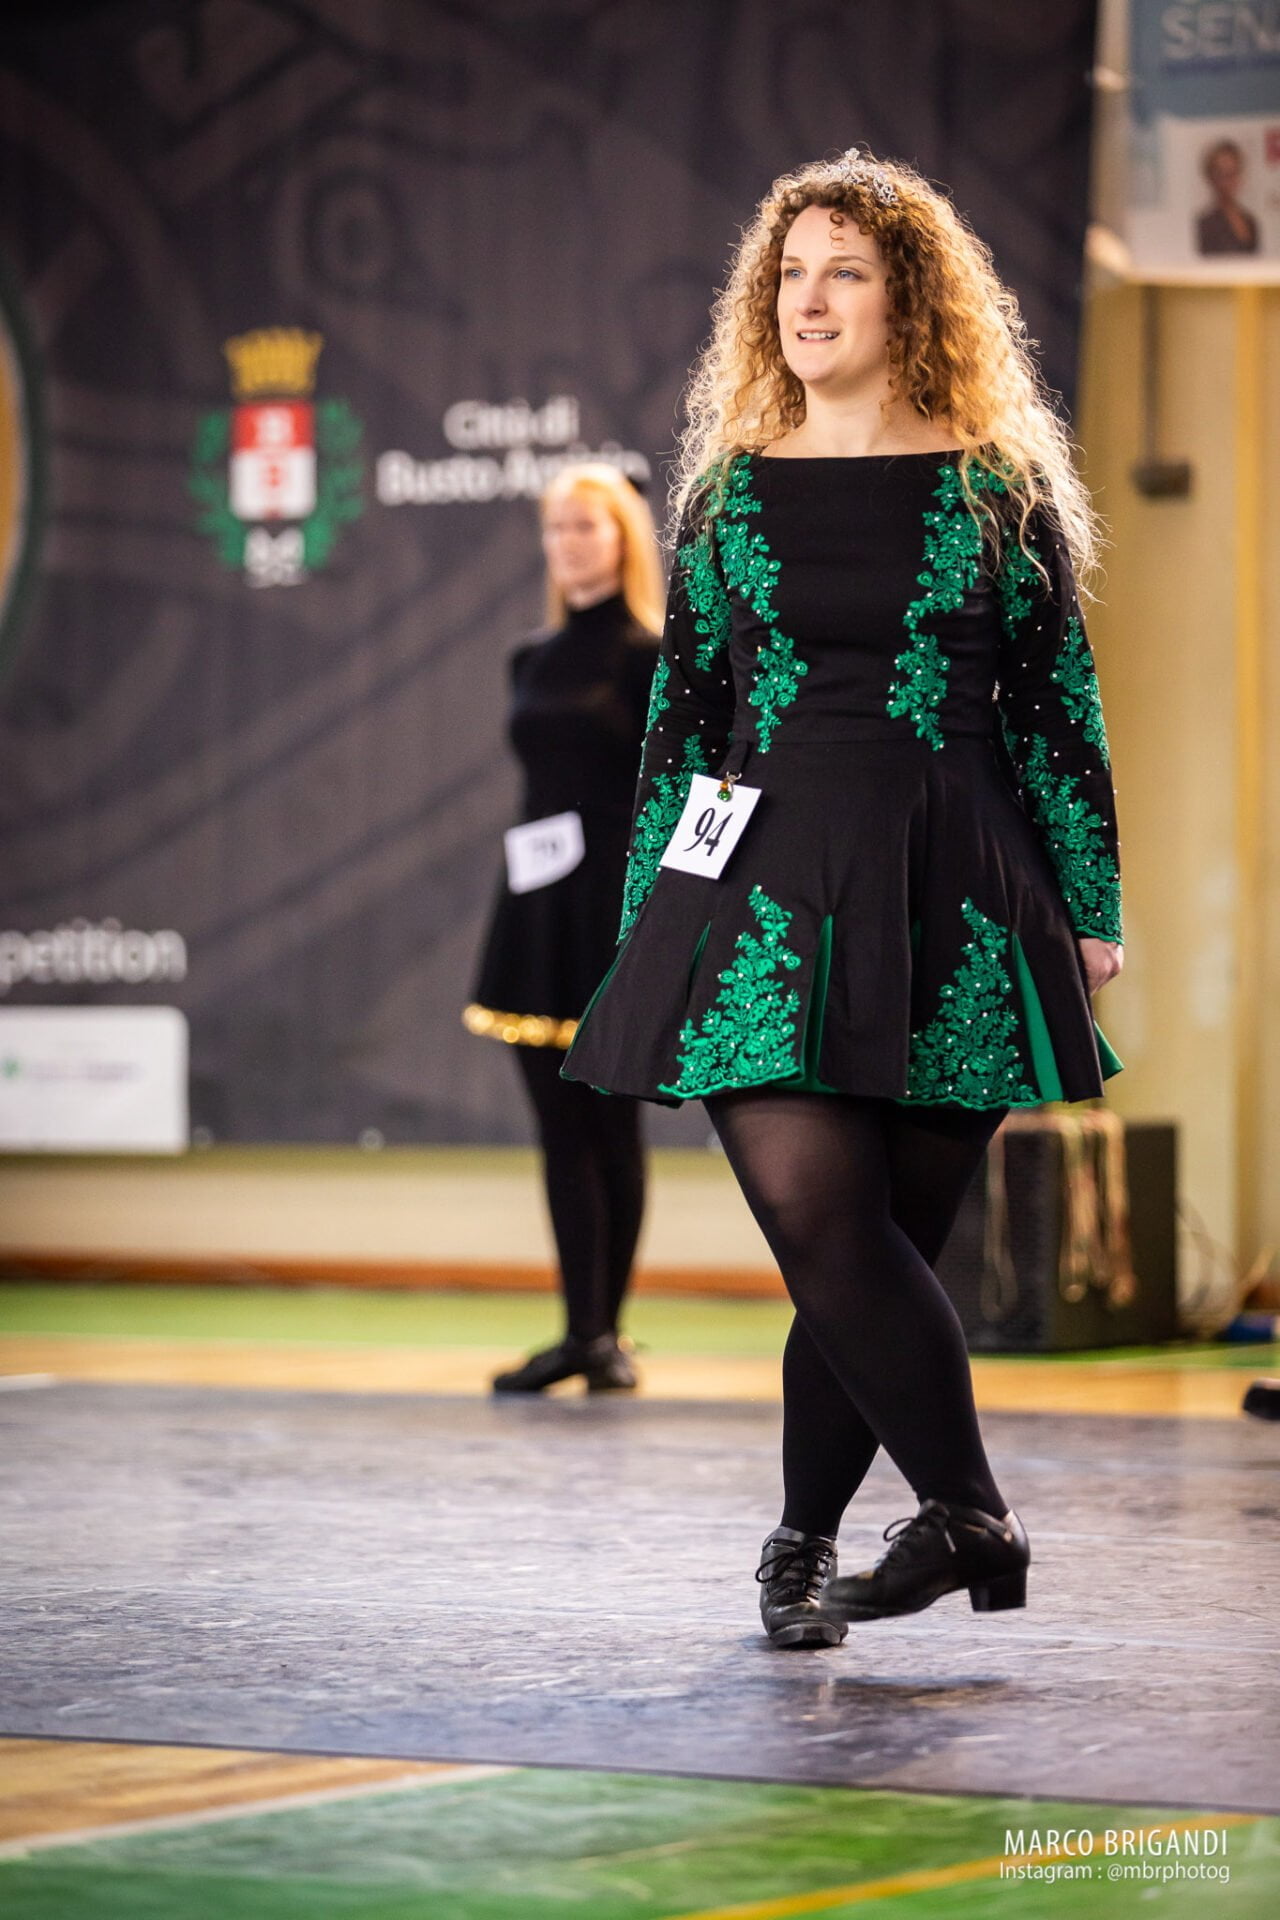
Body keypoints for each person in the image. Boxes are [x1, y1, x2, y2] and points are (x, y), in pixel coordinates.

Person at [563, 150, 1123, 1646]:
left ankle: (803, 1550)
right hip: (754, 884)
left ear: (911, 299)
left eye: (844, 273)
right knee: (821, 1220)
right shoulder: (729, 497)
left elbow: (1058, 710)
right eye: (790, 276)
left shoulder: (999, 489)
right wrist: (647, 926)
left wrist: (1091, 903)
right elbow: (684, 722)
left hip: (963, 884)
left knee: (873, 1256)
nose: (808, 300)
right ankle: (971, 1512)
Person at [465, 463, 664, 1393]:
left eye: (586, 526)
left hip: (612, 913)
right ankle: (577, 1330)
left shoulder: (650, 655)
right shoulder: (525, 657)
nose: (569, 543)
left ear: (623, 535)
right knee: (558, 1130)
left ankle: (607, 1336)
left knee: (610, 1126)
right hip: (537, 907)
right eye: (555, 528)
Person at [1195, 140, 1259, 256]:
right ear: (1211, 178)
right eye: (1222, 174)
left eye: (1233, 173)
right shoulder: (1205, 224)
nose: (1229, 181)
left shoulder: (1250, 220)